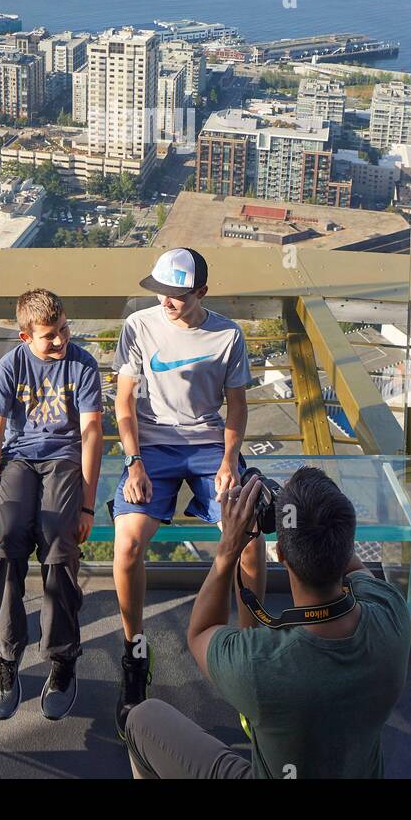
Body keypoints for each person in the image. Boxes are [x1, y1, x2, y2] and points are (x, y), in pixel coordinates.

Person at [124, 467, 411, 779]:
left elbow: (201, 633)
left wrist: (229, 546)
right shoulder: (390, 615)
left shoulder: (259, 665)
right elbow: (350, 565)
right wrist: (320, 519)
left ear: (283, 555)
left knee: (142, 719)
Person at [110, 247, 264, 737]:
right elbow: (124, 404)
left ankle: (249, 655)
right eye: (161, 293)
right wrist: (134, 462)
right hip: (152, 447)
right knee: (128, 543)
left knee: (252, 546)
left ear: (201, 292)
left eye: (177, 295)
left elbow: (236, 408)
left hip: (207, 447)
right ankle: (135, 649)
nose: (167, 303)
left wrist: (226, 461)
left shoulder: (227, 335)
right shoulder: (138, 326)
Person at [0, 288, 104, 720]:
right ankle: (7, 652)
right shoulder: (10, 366)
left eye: (65, 329)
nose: (61, 341)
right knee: (7, 534)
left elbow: (91, 435)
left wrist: (87, 506)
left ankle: (62, 656)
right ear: (24, 336)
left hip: (64, 460)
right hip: (19, 460)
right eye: (50, 335)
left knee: (58, 542)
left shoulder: (83, 365)